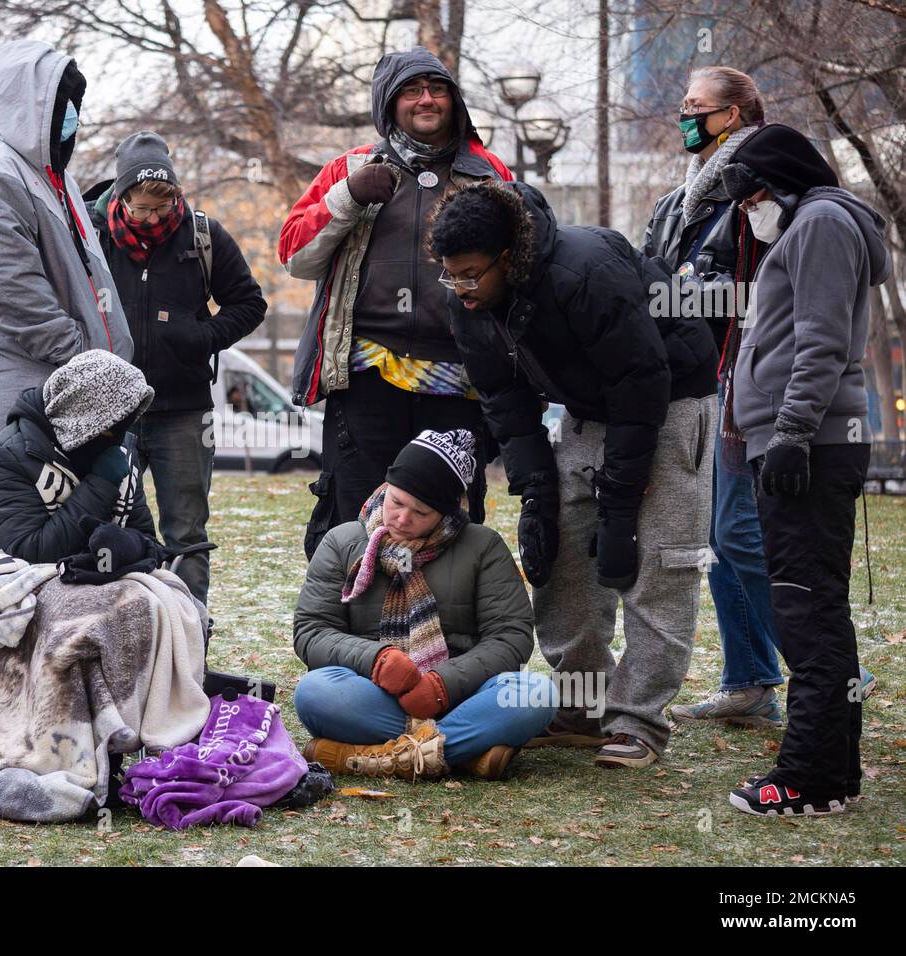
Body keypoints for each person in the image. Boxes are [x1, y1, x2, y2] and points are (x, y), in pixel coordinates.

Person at [429, 180, 719, 769]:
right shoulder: (469, 305)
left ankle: (637, 718)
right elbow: (505, 402)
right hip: (586, 406)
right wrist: (536, 494)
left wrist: (618, 505)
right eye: (448, 274)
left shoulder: (585, 271)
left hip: (668, 398)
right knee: (558, 546)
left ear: (509, 258)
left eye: (470, 274)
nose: (458, 289)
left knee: (654, 557)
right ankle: (584, 704)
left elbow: (642, 383)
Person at [278, 46, 512, 560]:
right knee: (358, 516)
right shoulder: (351, 166)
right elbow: (293, 254)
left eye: (438, 89)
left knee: (449, 520)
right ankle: (361, 636)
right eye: (412, 90)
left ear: (454, 100)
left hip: (457, 382)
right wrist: (348, 197)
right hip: (365, 377)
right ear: (390, 102)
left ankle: (441, 635)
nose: (426, 100)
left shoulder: (490, 171)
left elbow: (525, 268)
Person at [718, 125, 890, 816]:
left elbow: (819, 339)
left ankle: (811, 780)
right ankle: (829, 773)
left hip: (811, 446)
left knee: (806, 607)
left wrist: (790, 432)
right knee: (808, 604)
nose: (748, 208)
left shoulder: (819, 221)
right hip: (795, 441)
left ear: (782, 180)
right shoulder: (809, 226)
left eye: (753, 192)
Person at [642, 68, 786, 732]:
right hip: (697, 380)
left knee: (739, 532)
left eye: (695, 108)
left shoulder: (762, 186)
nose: (684, 117)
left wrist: (689, 292)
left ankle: (827, 667)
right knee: (719, 536)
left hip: (745, 375)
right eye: (683, 105)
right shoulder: (684, 200)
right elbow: (655, 277)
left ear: (732, 116)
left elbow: (763, 287)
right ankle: (751, 679)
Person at [292, 429, 556, 781]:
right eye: (396, 502)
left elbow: (510, 637)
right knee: (315, 691)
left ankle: (379, 757)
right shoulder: (342, 542)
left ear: (447, 513)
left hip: (462, 697)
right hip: (374, 694)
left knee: (536, 694)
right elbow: (312, 631)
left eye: (421, 512)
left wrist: (440, 685)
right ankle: (463, 752)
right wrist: (377, 658)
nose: (401, 519)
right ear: (385, 487)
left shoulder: (482, 546)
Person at [84, 131, 267, 605]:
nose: (153, 218)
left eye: (163, 208)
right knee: (102, 524)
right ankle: (108, 631)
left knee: (186, 533)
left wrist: (201, 337)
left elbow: (249, 303)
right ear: (120, 196)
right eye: (142, 209)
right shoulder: (87, 233)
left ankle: (188, 639)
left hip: (183, 412)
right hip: (106, 413)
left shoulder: (204, 236)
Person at [0, 39, 133, 447]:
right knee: (33, 503)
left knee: (90, 505)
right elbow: (10, 287)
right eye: (60, 100)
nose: (70, 112)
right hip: (39, 381)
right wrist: (80, 353)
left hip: (74, 381)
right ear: (27, 104)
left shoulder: (51, 175)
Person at [0, 350, 157, 565]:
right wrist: (101, 483)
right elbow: (31, 551)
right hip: (25, 576)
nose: (117, 437)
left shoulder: (120, 450)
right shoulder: (8, 456)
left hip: (106, 571)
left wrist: (123, 545)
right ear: (81, 417)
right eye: (110, 428)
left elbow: (147, 540)